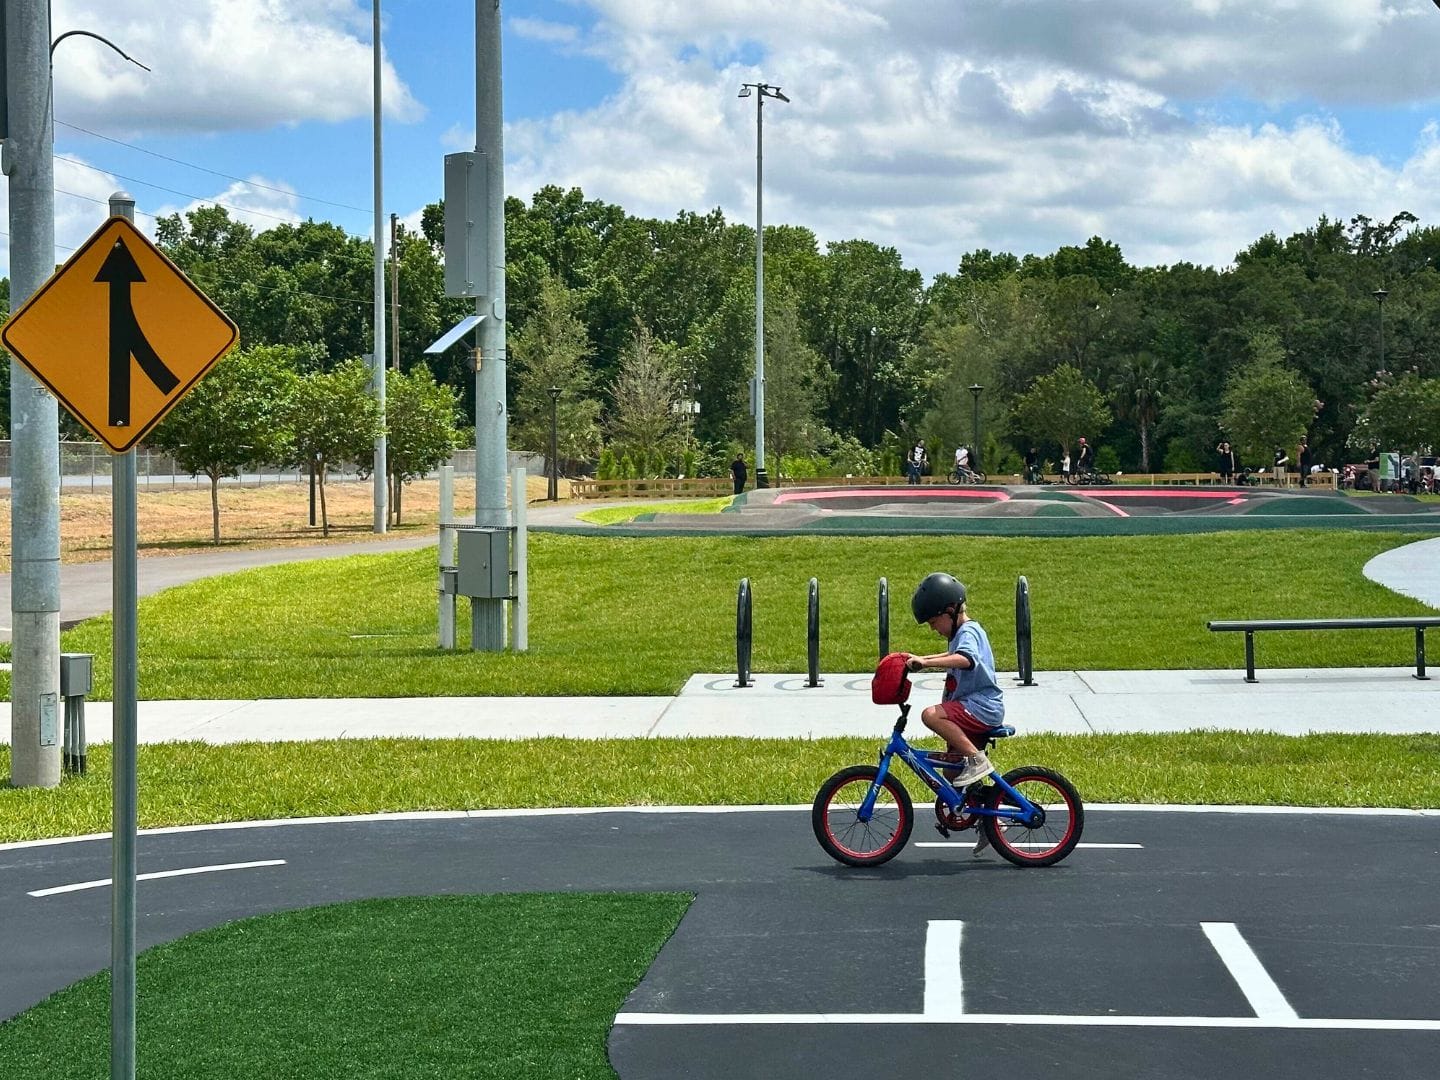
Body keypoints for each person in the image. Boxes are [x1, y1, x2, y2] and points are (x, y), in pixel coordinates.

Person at [905, 573, 1007, 856]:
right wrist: (922, 658)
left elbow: (966, 659)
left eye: (933, 622)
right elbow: (952, 655)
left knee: (931, 715)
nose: (932, 628)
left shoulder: (969, 632)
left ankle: (977, 759)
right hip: (970, 708)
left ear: (948, 611)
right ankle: (991, 822)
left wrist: (924, 663)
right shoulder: (958, 635)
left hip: (982, 707)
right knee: (952, 770)